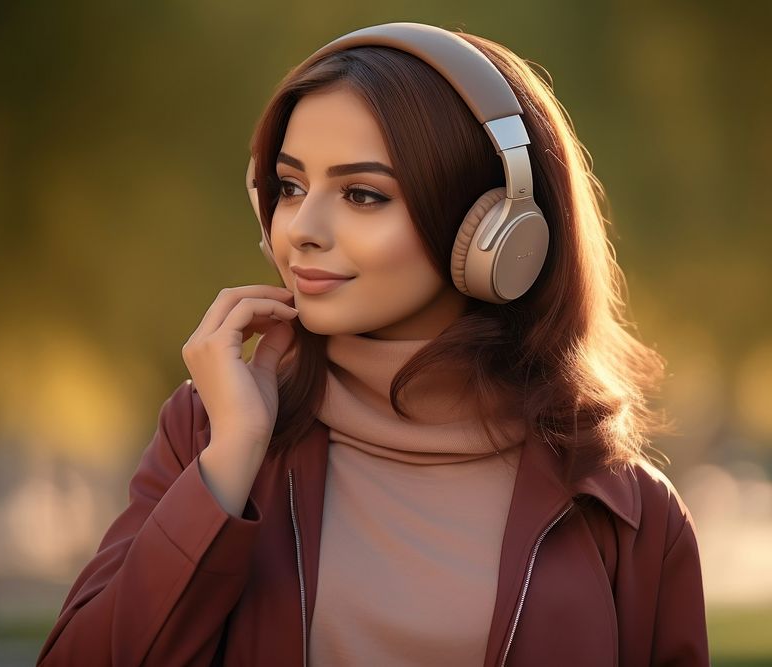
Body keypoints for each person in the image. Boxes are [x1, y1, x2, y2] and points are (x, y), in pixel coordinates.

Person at [37, 21, 709, 666]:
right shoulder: (208, 433)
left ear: (499, 233)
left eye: (361, 194)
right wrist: (227, 467)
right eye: (291, 186)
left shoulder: (627, 512)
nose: (300, 227)